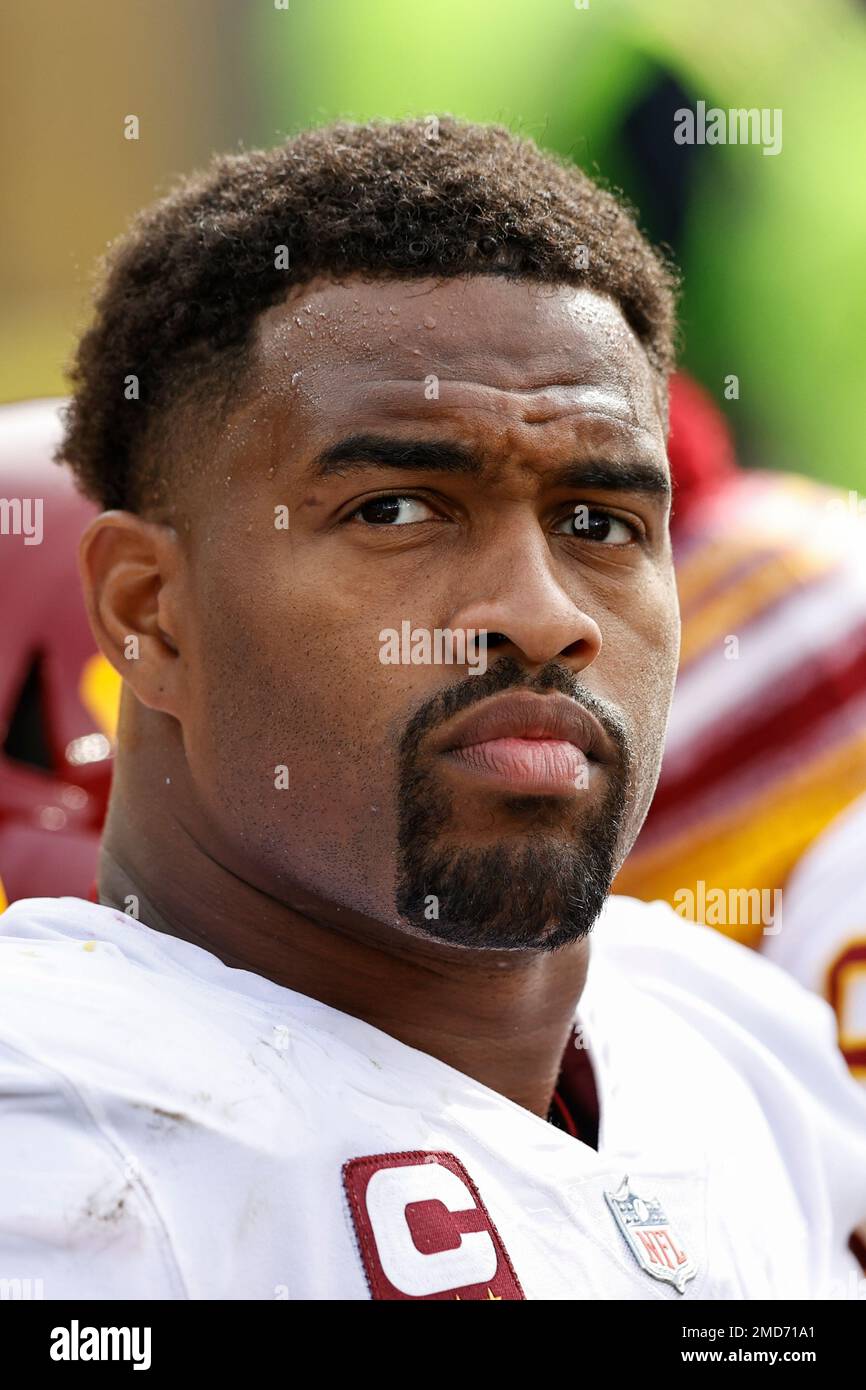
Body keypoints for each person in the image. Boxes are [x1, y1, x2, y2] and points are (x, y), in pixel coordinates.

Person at [0, 118, 863, 1301]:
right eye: (397, 510)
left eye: (600, 522)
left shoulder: (742, 1042)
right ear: (149, 614)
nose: (541, 614)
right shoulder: (51, 1145)